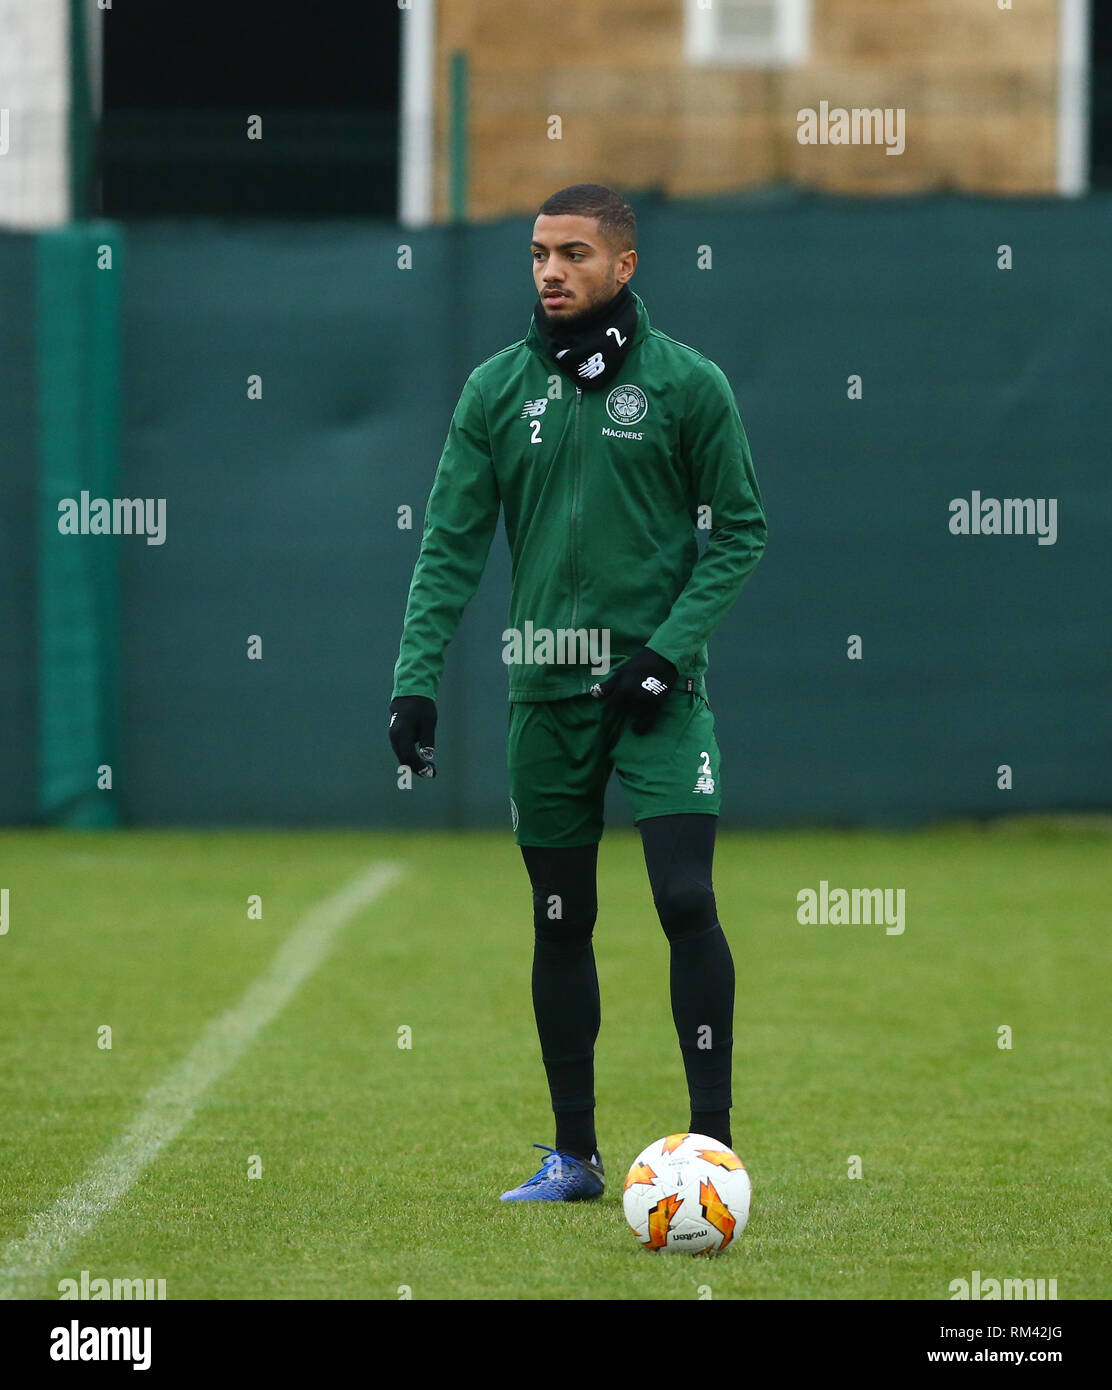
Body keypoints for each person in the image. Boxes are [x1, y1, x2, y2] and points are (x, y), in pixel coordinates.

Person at [389, 182, 767, 1201]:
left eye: (572, 254)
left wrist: (666, 651)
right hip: (546, 693)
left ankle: (713, 1152)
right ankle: (575, 1155)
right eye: (537, 255)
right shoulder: (495, 390)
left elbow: (740, 532)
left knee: (685, 897)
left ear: (624, 265)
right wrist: (414, 682)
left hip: (658, 694)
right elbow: (449, 546)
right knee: (560, 918)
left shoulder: (688, 384)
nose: (550, 272)